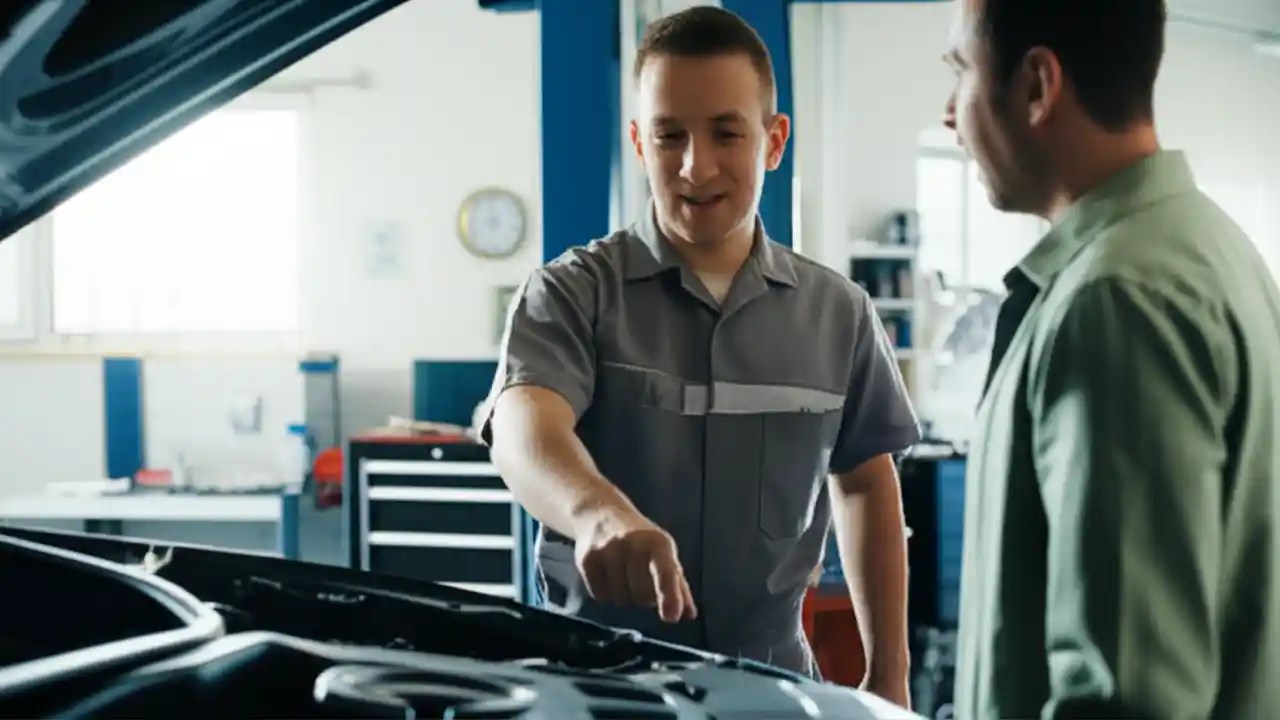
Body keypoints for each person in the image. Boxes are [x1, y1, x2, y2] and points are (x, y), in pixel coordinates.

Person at [481, 5, 921, 704]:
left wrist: (889, 676)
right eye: (669, 136)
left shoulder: (839, 314)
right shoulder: (572, 293)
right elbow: (523, 427)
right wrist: (598, 513)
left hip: (772, 686)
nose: (696, 166)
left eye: (726, 133)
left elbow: (866, 480)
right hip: (598, 688)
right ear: (638, 141)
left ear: (773, 141)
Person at [942, 0, 1280, 717]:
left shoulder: (1116, 298)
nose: (950, 113)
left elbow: (1127, 692)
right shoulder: (1208, 246)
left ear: (1037, 85)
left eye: (962, 72)